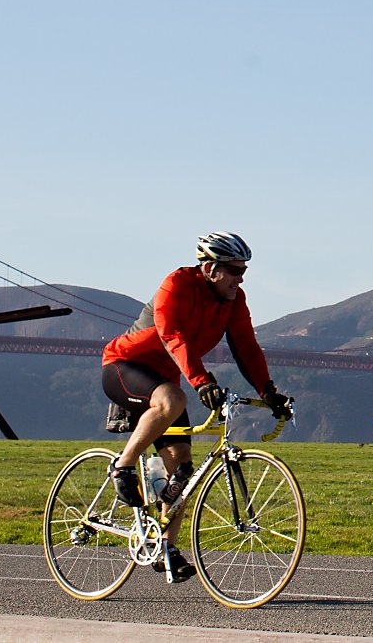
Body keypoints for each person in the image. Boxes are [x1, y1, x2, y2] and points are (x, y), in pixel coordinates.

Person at [99, 231, 295, 583]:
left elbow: (247, 347)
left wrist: (268, 391)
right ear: (210, 268)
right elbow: (173, 335)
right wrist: (201, 381)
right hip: (125, 366)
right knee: (174, 399)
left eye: (244, 270)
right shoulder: (176, 285)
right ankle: (123, 466)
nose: (241, 277)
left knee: (181, 473)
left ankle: (164, 549)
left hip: (166, 379)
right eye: (234, 270)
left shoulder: (234, 301)